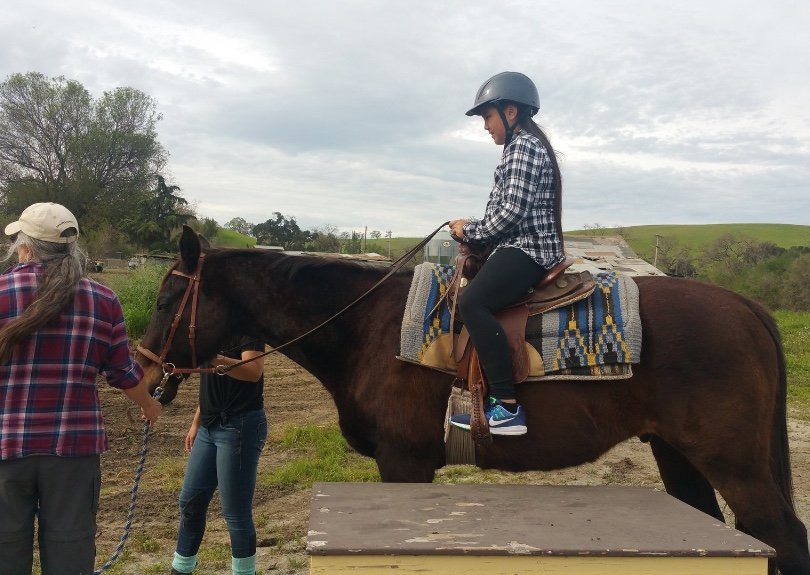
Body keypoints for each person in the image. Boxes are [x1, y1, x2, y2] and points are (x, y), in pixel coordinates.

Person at [0, 202, 162, 575]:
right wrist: (149, 405)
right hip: (73, 448)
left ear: (23, 246)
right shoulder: (102, 299)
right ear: (71, 249)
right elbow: (122, 371)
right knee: (71, 549)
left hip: (5, 447)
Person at [448, 71, 565, 437]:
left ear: (510, 111)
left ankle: (506, 405)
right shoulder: (523, 147)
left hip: (528, 249)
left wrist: (471, 230)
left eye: (488, 116)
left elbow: (511, 213)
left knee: (472, 304)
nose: (485, 126)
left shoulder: (523, 147)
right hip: (519, 244)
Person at [171, 336, 267, 575]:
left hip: (239, 426)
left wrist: (213, 356)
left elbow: (253, 371)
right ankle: (181, 569)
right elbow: (211, 383)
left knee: (235, 512)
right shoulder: (213, 328)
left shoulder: (247, 326)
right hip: (209, 426)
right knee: (190, 503)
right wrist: (196, 422)